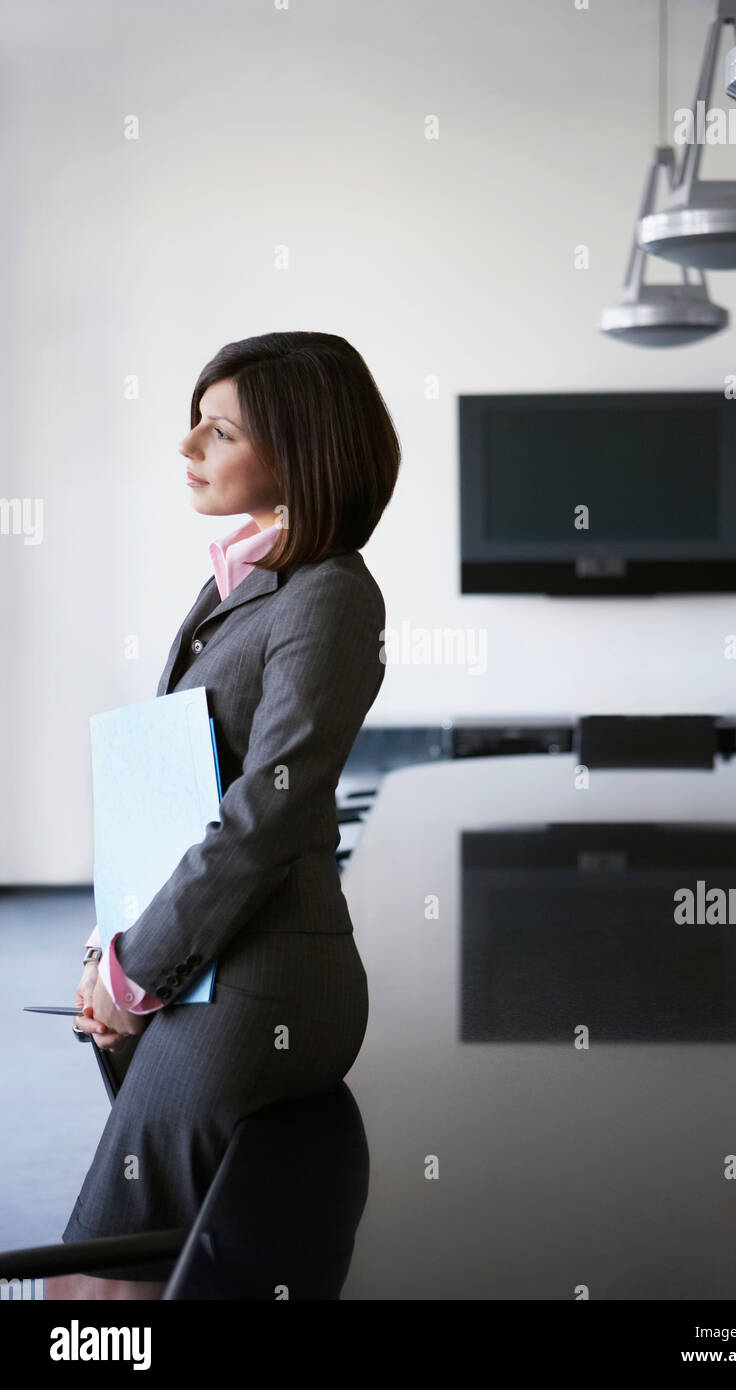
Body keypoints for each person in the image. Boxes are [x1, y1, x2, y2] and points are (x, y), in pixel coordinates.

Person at [46, 331, 400, 1300]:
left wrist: (136, 968)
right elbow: (178, 790)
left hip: (264, 985)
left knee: (95, 1273)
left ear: (299, 449)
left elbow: (264, 813)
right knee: (144, 1254)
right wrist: (109, 946)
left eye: (218, 429)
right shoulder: (238, 581)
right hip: (203, 958)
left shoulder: (327, 597)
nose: (187, 446)